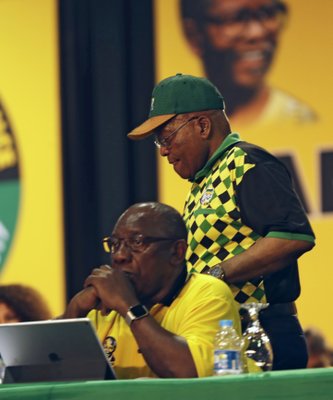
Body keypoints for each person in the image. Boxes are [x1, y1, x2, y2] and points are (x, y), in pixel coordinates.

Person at [127, 73, 316, 370]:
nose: (163, 150)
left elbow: (292, 237)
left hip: (260, 332)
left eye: (166, 137)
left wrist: (215, 276)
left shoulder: (247, 163)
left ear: (202, 125)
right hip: (223, 333)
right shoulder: (204, 180)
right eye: (158, 142)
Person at [62, 202, 241, 379]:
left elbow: (188, 372)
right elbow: (50, 373)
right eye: (115, 244)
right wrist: (75, 310)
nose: (119, 255)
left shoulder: (206, 292)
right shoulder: (104, 306)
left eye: (137, 242)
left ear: (177, 252)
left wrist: (129, 307)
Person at [179, 0, 317, 127]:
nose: (256, 33)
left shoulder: (300, 121)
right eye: (235, 19)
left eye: (268, 13)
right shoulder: (177, 128)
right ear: (194, 35)